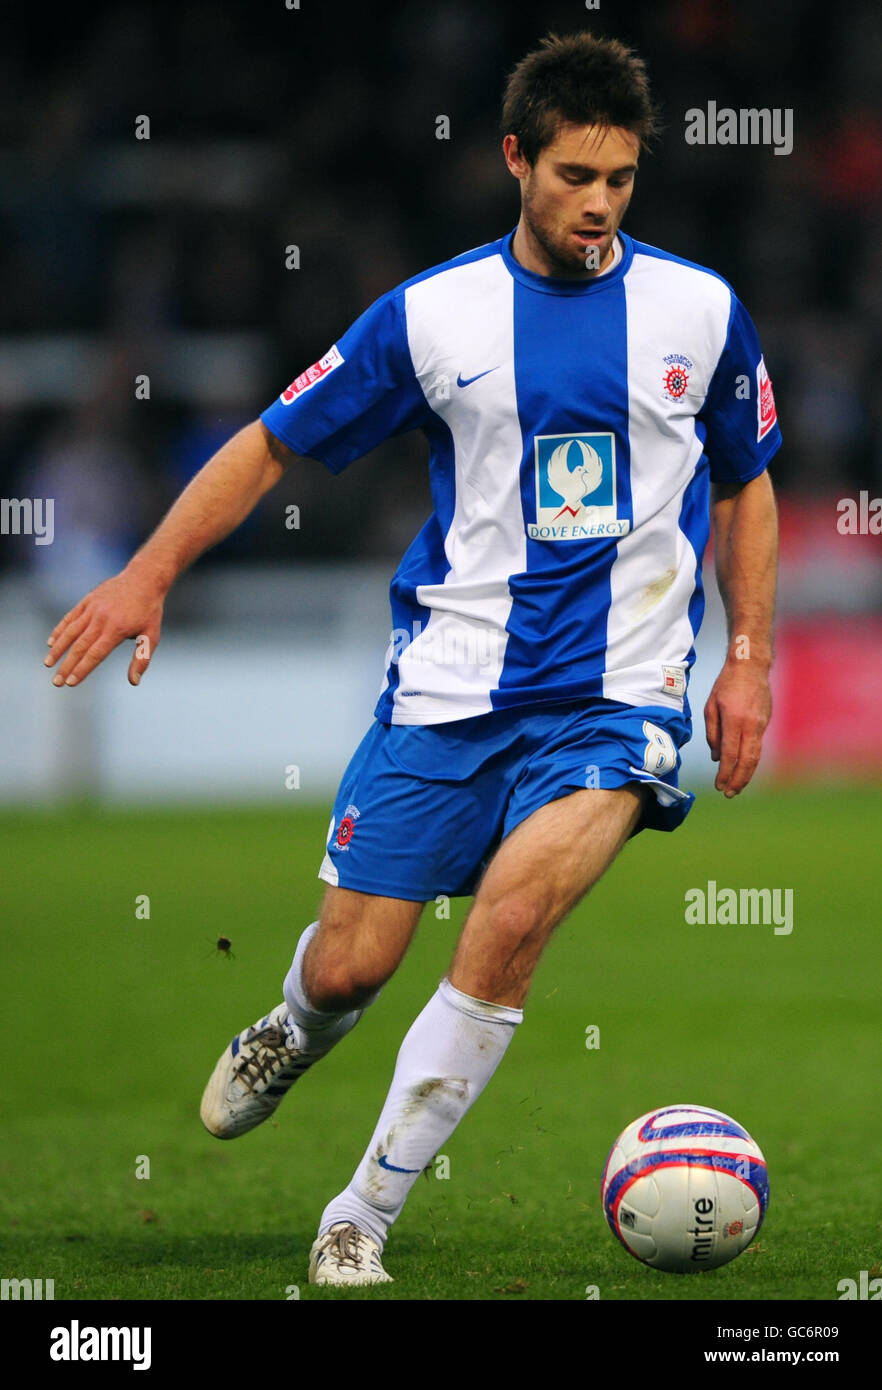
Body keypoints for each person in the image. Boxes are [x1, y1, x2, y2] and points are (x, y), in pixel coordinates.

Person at [44, 32, 780, 1288]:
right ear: (513, 160)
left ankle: (360, 1212)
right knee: (354, 963)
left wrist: (749, 655)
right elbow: (275, 443)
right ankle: (293, 1023)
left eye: (619, 177)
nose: (599, 203)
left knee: (506, 930)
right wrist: (148, 570)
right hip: (447, 691)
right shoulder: (433, 314)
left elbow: (749, 483)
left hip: (617, 701)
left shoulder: (700, 311)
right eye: (571, 175)